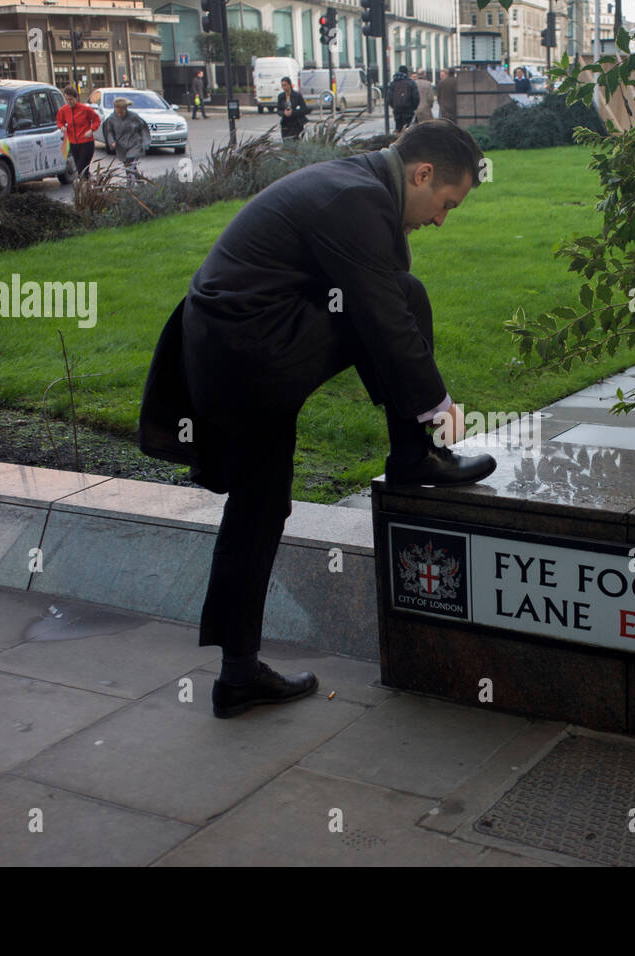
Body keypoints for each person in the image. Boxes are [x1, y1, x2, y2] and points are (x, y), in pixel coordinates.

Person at [138, 119, 496, 718]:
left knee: (258, 506)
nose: (440, 219)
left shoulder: (356, 185)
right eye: (445, 204)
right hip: (250, 347)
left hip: (235, 347)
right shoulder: (353, 198)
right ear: (423, 174)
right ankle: (416, 455)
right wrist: (440, 413)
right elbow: (384, 315)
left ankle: (237, 675)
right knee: (403, 299)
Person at [102, 97, 150, 181]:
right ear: (115, 109)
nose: (120, 114)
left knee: (130, 163)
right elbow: (109, 132)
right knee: (128, 165)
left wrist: (145, 142)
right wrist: (112, 142)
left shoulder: (134, 116)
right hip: (121, 147)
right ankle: (139, 180)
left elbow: (143, 129)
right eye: (118, 112)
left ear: (126, 109)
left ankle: (130, 186)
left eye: (122, 112)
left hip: (134, 144)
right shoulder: (111, 119)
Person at [56, 86, 100, 179]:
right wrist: (62, 127)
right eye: (67, 100)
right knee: (82, 169)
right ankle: (88, 186)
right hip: (73, 143)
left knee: (81, 168)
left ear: (76, 98)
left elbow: (97, 120)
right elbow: (59, 121)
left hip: (86, 142)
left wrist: (91, 130)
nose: (69, 102)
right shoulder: (64, 110)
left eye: (71, 100)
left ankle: (84, 186)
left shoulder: (85, 109)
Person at [388, 65, 419, 132]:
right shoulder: (411, 83)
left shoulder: (393, 83)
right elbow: (416, 97)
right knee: (408, 129)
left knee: (398, 126)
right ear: (407, 72)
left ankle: (398, 139)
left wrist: (394, 106)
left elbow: (389, 97)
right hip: (408, 109)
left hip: (397, 109)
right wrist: (414, 107)